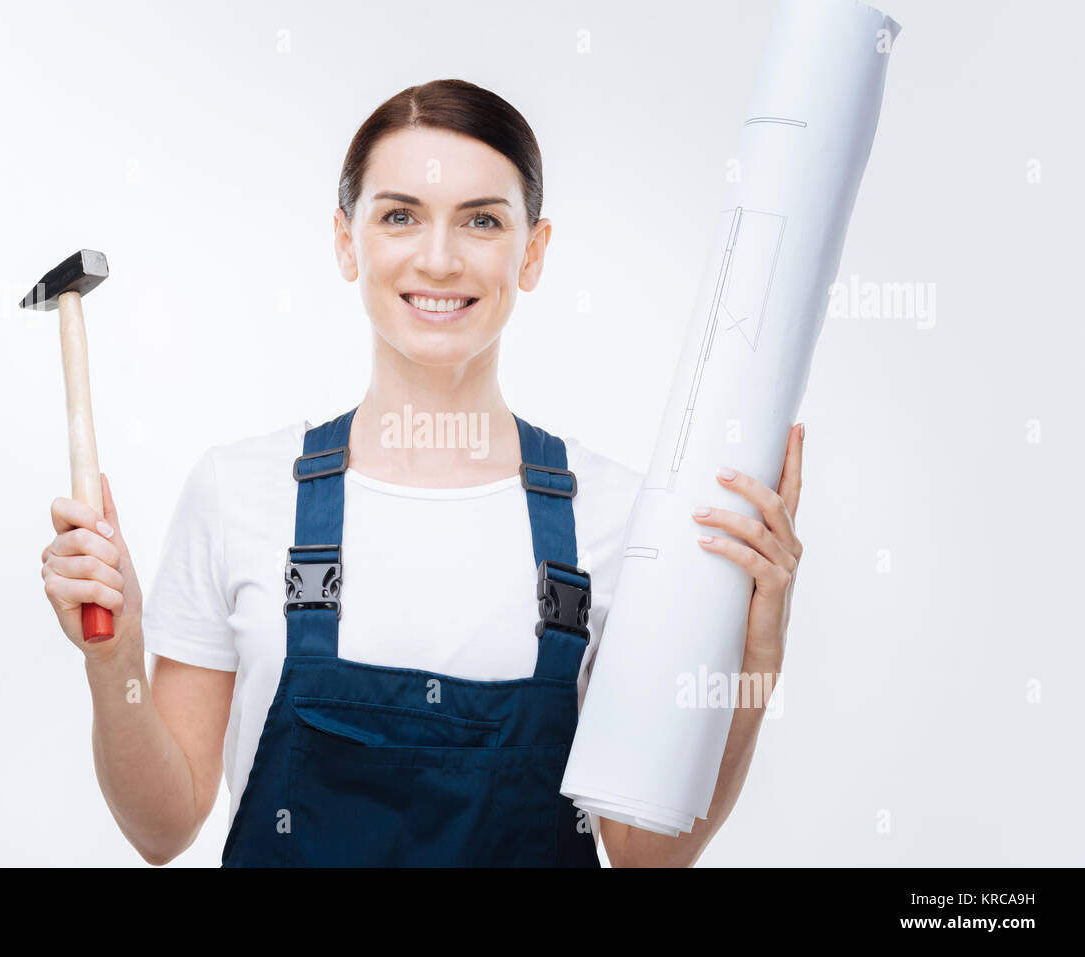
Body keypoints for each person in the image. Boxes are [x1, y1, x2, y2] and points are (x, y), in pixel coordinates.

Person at [40, 78, 804, 867]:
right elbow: (162, 829)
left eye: (482, 221)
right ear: (346, 240)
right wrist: (117, 656)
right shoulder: (240, 493)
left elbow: (646, 853)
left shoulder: (615, 519)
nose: (438, 260)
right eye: (400, 215)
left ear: (533, 251)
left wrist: (752, 667)